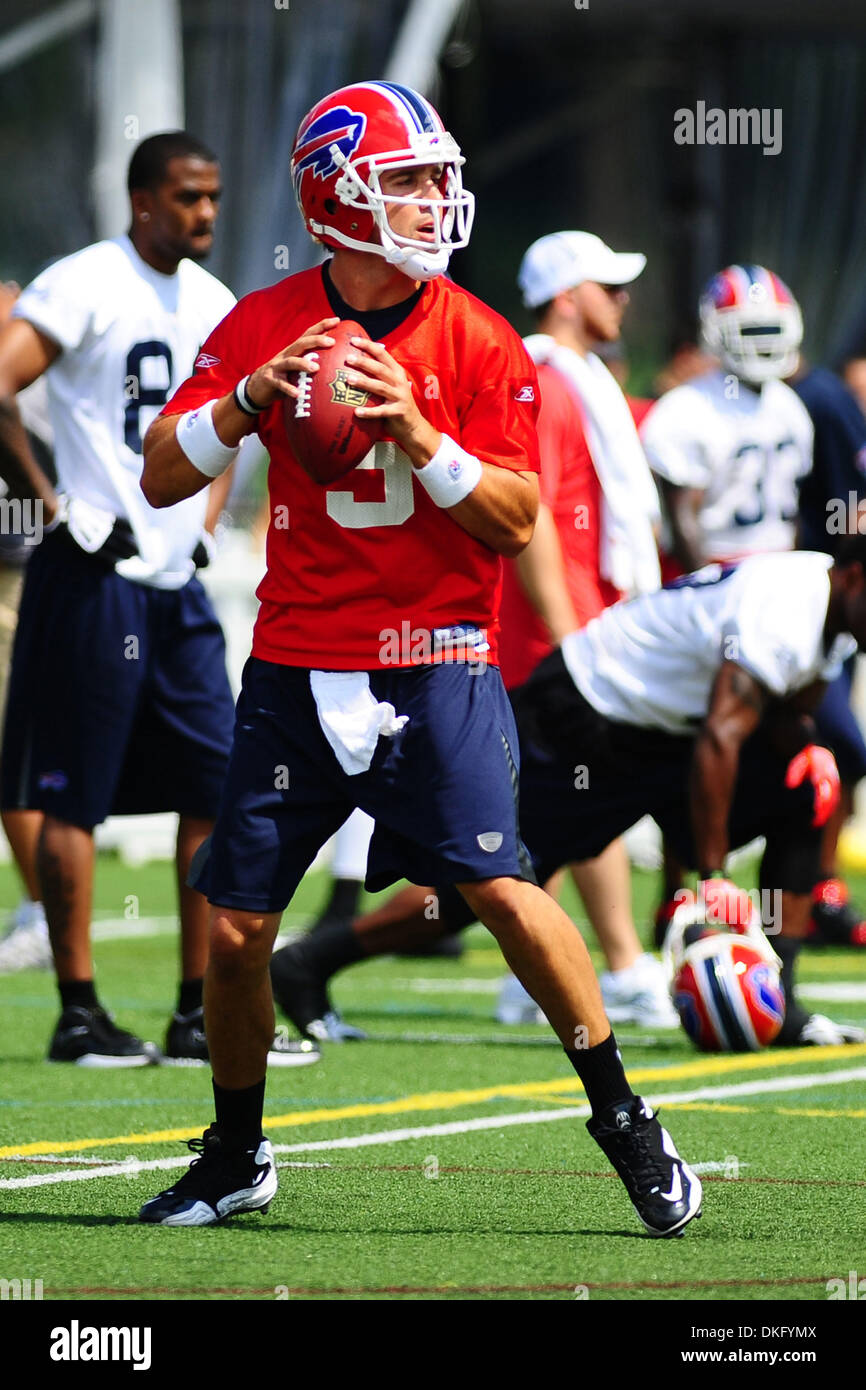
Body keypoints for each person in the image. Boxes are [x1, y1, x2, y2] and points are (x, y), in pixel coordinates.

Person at [137, 81, 701, 1236]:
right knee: (237, 928)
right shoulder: (264, 322)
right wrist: (246, 398)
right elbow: (159, 472)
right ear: (334, 195)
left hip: (436, 662)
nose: (434, 198)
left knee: (500, 886)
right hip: (295, 665)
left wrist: (419, 435)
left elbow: (512, 518)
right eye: (405, 179)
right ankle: (235, 1153)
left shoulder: (483, 338)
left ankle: (625, 1120)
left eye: (434, 176)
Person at [277, 546, 866, 1050]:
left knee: (809, 784)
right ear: (856, 576)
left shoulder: (833, 611)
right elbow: (723, 732)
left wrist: (806, 752)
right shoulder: (787, 607)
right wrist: (713, 875)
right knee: (487, 884)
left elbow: (780, 721)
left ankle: (779, 998)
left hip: (662, 734)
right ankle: (308, 963)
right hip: (586, 717)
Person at [0, 132, 316, 1069]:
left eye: (215, 197)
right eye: (188, 198)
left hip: (175, 583)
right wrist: (56, 502)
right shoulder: (85, 281)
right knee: (73, 794)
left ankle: (195, 1010)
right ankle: (78, 1010)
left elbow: (233, 421)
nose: (207, 214)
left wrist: (209, 518)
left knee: (215, 785)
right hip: (93, 569)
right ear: (143, 201)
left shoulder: (215, 300)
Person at [640, 264, 814, 937]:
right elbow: (681, 518)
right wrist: (712, 594)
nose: (766, 342)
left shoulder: (789, 408)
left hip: (778, 601)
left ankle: (805, 894)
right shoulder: (687, 410)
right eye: (753, 330)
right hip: (714, 598)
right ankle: (680, 890)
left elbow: (794, 512)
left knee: (812, 748)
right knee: (697, 748)